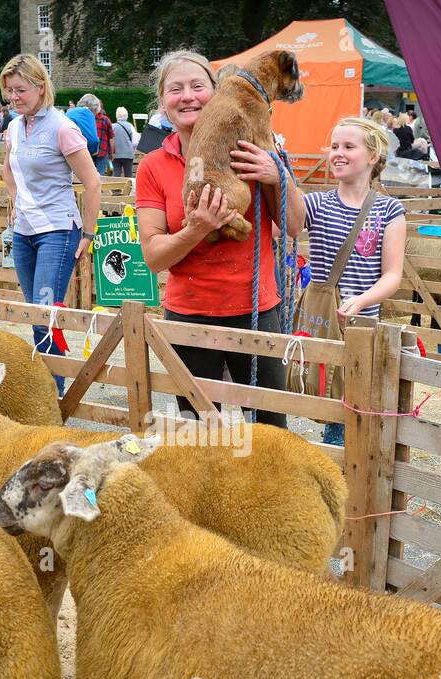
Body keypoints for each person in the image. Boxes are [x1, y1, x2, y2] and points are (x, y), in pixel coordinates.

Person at [136, 50, 305, 429]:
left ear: (218, 91)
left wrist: (276, 174)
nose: (188, 96)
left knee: (269, 431)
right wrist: (196, 228)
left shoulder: (254, 146)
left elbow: (295, 227)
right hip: (191, 315)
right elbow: (153, 256)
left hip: (256, 311)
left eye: (198, 86)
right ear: (163, 103)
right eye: (175, 89)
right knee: (197, 433)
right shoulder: (153, 166)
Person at [0, 53, 101, 396]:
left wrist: (88, 232)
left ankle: (53, 391)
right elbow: (8, 169)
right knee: (36, 313)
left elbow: (93, 183)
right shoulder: (14, 127)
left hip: (58, 230)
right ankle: (47, 385)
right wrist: (15, 201)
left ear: (41, 87)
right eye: (9, 91)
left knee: (46, 312)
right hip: (24, 232)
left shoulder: (62, 127)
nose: (14, 97)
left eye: (20, 90)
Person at [303, 116, 407, 445]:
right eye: (334, 146)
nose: (338, 153)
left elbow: (392, 274)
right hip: (322, 320)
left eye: (349, 146)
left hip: (363, 326)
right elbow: (281, 227)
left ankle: (342, 471)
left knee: (355, 402)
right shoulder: (314, 203)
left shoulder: (390, 210)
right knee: (327, 395)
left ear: (372, 156)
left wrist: (362, 301)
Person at [85, 95, 115, 175]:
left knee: (88, 174)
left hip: (89, 151)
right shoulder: (106, 120)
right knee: (100, 175)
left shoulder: (87, 119)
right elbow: (111, 138)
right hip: (102, 151)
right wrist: (111, 153)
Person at [111, 106, 136, 177]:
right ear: (127, 115)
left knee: (116, 174)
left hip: (116, 155)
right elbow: (135, 142)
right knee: (128, 175)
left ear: (116, 116)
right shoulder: (130, 126)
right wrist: (132, 149)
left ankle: (115, 188)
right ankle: (130, 188)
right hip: (128, 154)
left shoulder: (112, 126)